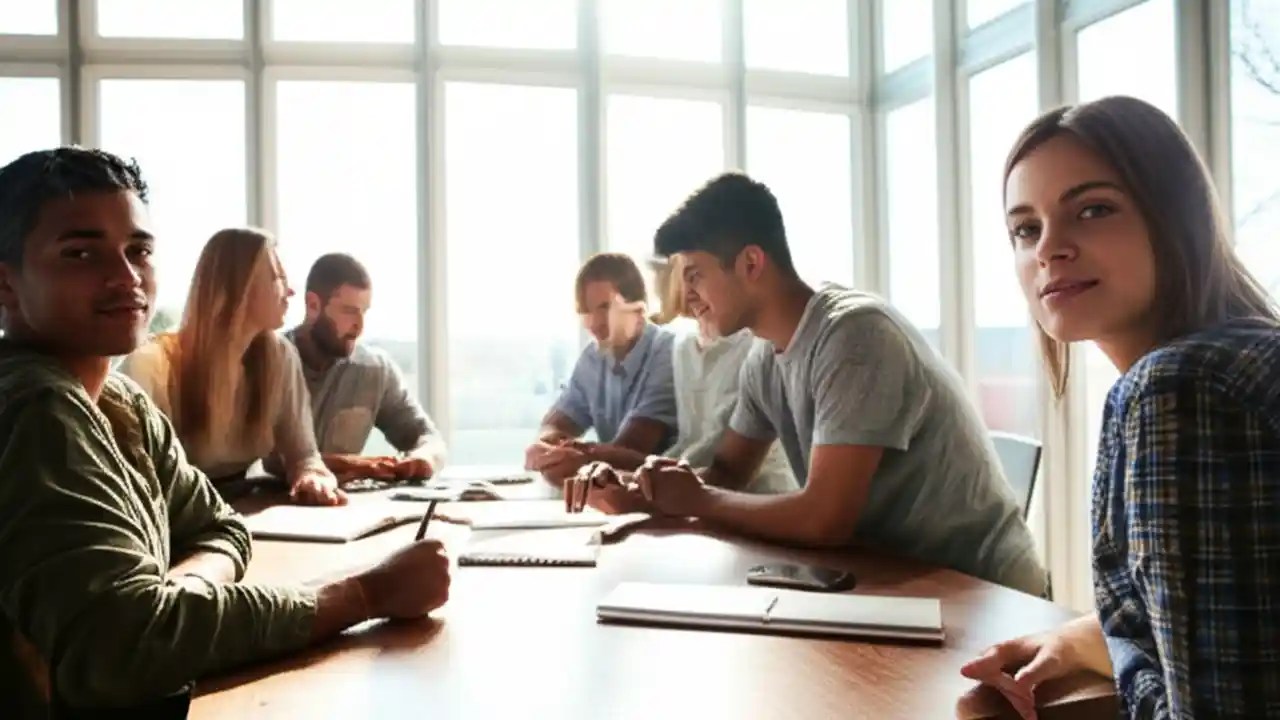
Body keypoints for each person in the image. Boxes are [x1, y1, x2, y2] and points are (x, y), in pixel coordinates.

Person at [0, 147, 450, 716]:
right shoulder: (35, 406)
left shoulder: (120, 402)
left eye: (138, 250)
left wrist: (177, 598)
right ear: (7, 285)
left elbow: (221, 527)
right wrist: (366, 593)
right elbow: (129, 646)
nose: (125, 276)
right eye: (81, 252)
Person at [569, 172, 1046, 597]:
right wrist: (641, 490)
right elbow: (727, 473)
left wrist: (696, 499)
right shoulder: (763, 358)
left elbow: (825, 518)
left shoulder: (856, 335)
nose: (686, 297)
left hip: (983, 590)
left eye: (695, 276)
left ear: (752, 264)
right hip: (896, 581)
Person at [960, 96, 1280, 719]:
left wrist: (1121, 649)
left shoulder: (1183, 391)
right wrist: (1089, 637)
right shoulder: (1243, 354)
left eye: (1093, 210)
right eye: (1026, 229)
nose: (1050, 248)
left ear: (1173, 218)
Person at [119, 228, 343, 506]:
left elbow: (304, 455)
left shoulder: (279, 355)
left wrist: (311, 477)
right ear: (238, 287)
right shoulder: (151, 365)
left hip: (243, 508)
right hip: (174, 516)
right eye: (277, 277)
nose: (291, 291)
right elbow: (132, 480)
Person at [575, 252, 795, 515]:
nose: (685, 290)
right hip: (703, 501)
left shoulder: (754, 345)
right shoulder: (684, 347)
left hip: (759, 503)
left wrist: (635, 483)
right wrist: (627, 479)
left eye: (695, 276)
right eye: (679, 278)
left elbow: (723, 463)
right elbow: (690, 444)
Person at [285, 253, 446, 483]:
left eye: (364, 311)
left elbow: (429, 438)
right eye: (349, 311)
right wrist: (363, 466)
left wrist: (424, 458)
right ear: (313, 305)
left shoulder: (375, 371)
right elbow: (272, 462)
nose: (359, 327)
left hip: (340, 508)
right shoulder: (270, 361)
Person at [524, 252, 678, 485]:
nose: (594, 322)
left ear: (638, 308)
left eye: (605, 307)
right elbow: (558, 421)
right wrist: (545, 444)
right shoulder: (593, 358)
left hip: (666, 498)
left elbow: (633, 447)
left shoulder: (668, 353)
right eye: (586, 310)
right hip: (616, 495)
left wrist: (569, 456)